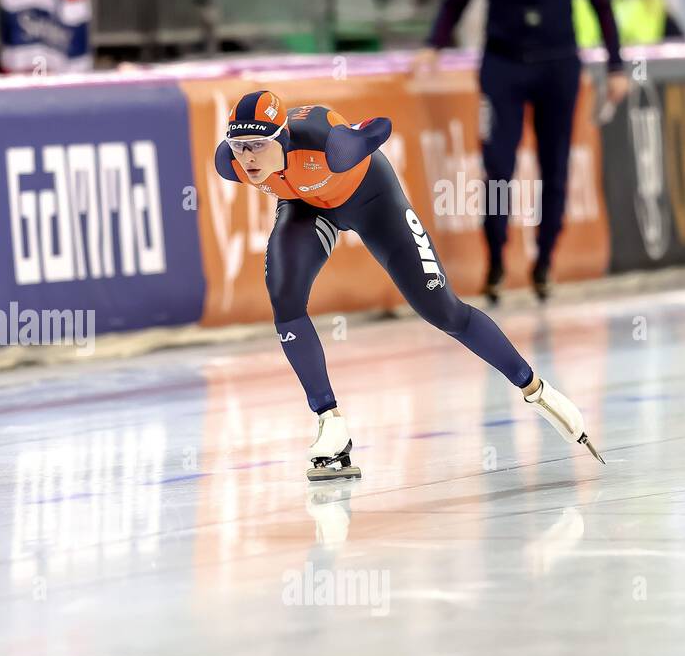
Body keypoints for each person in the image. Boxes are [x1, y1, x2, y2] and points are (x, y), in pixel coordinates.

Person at [214, 90, 604, 481]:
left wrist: (356, 134)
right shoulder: (228, 163)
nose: (246, 158)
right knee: (284, 297)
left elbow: (380, 126)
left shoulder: (331, 147)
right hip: (304, 207)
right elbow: (244, 155)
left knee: (444, 311)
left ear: (282, 138)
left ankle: (536, 389)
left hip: (371, 200)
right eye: (239, 146)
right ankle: (329, 421)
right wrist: (247, 152)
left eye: (257, 146)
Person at [413, 0, 630, 304]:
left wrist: (615, 65)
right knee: (498, 166)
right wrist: (433, 45)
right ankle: (495, 259)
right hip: (503, 67)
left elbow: (600, 4)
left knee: (555, 166)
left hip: (558, 67)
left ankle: (545, 261)